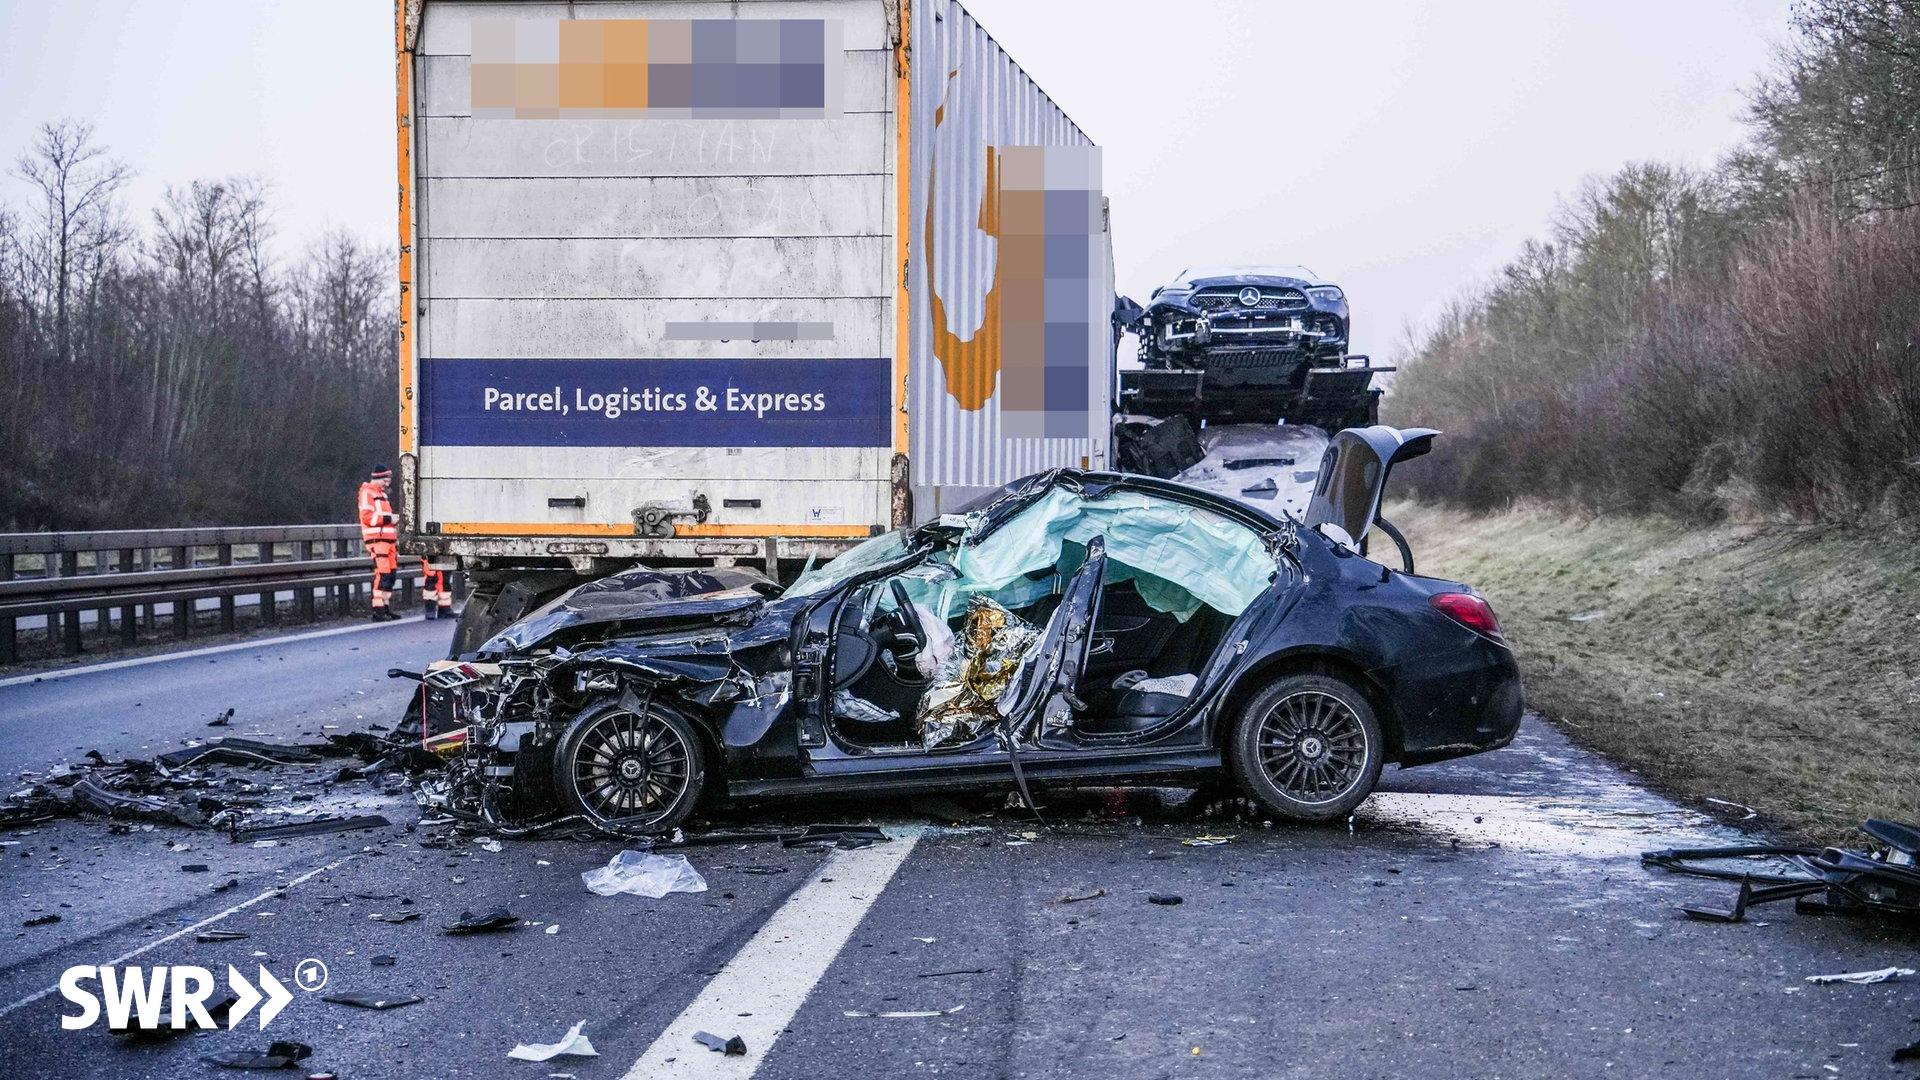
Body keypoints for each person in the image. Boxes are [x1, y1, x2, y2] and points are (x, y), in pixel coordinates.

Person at [357, 465, 401, 622]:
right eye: (385, 480)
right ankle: (378, 611)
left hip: (388, 541)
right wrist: (390, 519)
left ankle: (385, 607)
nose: (387, 484)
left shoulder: (381, 495)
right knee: (382, 574)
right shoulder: (367, 493)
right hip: (377, 540)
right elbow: (367, 518)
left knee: (391, 575)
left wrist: (392, 521)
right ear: (378, 478)